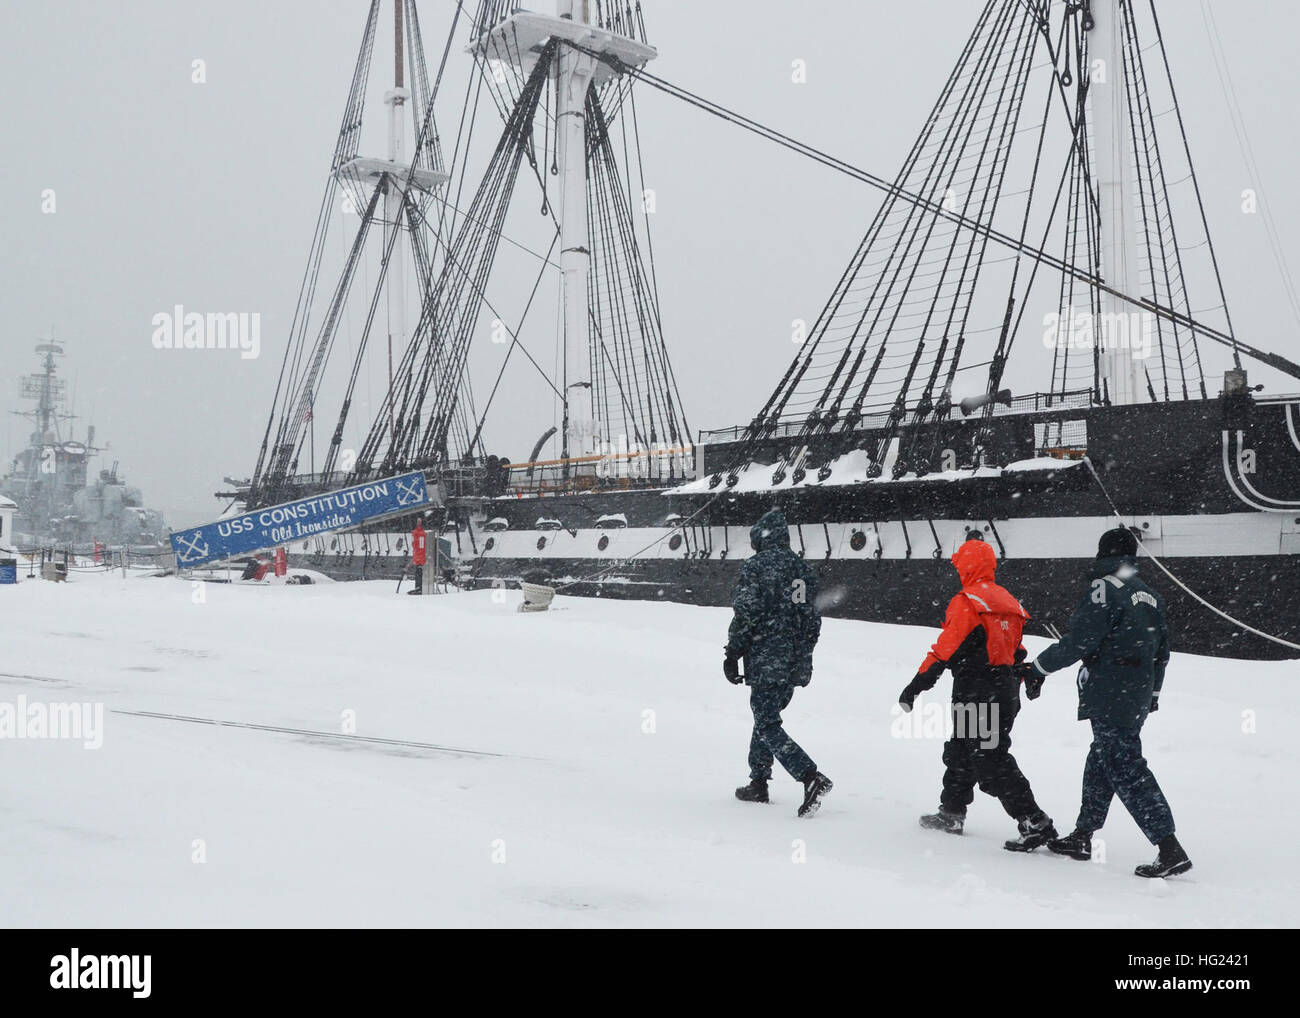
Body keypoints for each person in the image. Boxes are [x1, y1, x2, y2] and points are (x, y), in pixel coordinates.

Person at [1018, 526, 1190, 878]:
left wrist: (1038, 668)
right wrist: (1152, 694)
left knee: (1125, 766)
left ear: (1104, 554)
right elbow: (1162, 653)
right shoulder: (1150, 595)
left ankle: (1169, 847)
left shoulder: (1103, 587)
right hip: (1136, 693)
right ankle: (1083, 836)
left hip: (1111, 690)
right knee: (1102, 759)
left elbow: (1080, 640)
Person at [899, 536, 1056, 851]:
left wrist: (916, 685)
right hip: (1006, 688)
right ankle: (951, 812)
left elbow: (945, 650)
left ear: (965, 566)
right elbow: (1016, 650)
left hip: (976, 689)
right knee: (962, 749)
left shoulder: (968, 601)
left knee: (988, 758)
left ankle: (1034, 820)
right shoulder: (1010, 602)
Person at [724, 509, 833, 817]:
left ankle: (810, 776)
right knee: (766, 716)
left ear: (761, 537)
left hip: (766, 657)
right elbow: (814, 620)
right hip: (795, 660)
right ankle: (758, 782)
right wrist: (801, 652)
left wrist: (732, 653)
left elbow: (747, 613)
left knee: (767, 721)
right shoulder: (804, 570)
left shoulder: (757, 567)